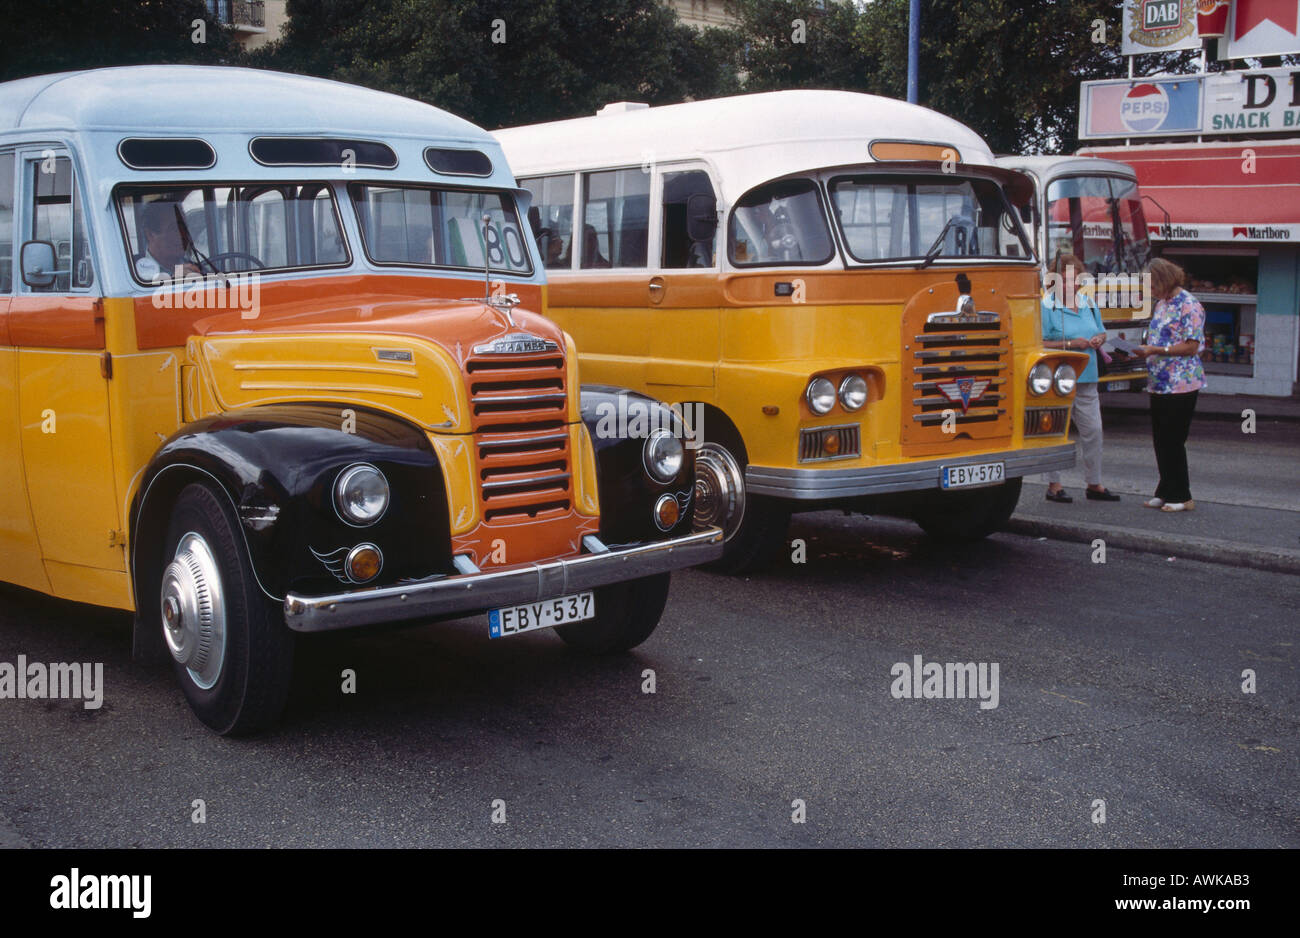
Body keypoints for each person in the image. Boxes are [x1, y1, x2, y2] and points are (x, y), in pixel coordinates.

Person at [1040, 252, 1120, 503]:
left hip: (1088, 376)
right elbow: (1037, 342)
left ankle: (1094, 483)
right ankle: (1054, 485)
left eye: (1074, 278)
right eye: (1064, 279)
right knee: (1053, 432)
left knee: (1094, 431)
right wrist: (1070, 343)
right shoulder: (1046, 306)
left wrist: (1099, 339)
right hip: (1057, 379)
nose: (1071, 284)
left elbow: (1101, 332)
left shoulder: (1088, 304)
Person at [1133, 258, 1206, 512]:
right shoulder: (1162, 304)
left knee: (1174, 439)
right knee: (1161, 439)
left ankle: (1182, 496)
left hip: (1181, 383)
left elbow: (1191, 345)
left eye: (1153, 285)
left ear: (1164, 279)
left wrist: (1156, 349)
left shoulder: (1189, 305)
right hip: (1160, 382)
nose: (1151, 291)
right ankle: (1165, 489)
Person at [135, 201, 199, 281]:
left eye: (183, 226)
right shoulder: (135, 273)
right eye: (173, 228)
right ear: (150, 235)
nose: (183, 234)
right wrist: (173, 281)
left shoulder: (195, 266)